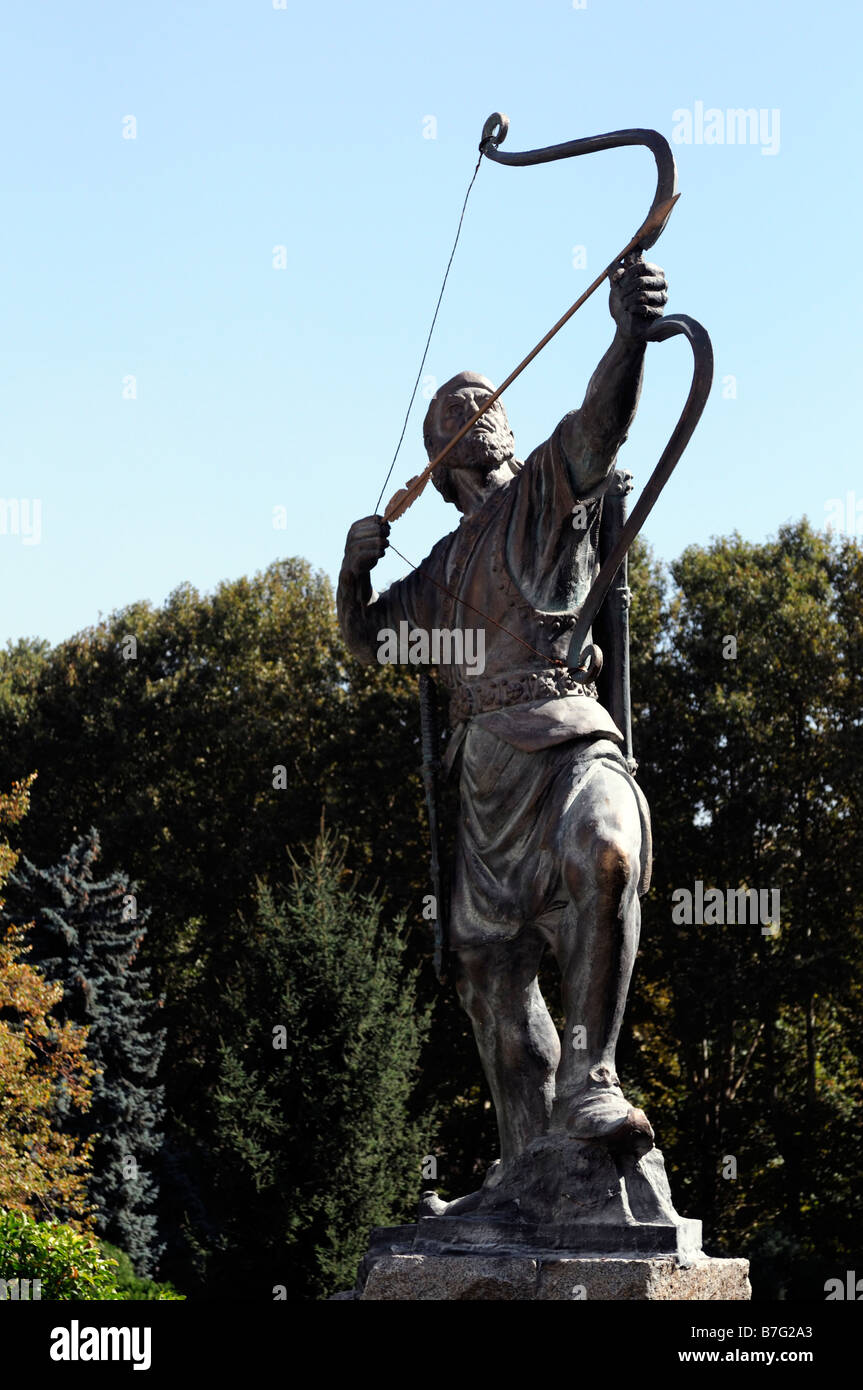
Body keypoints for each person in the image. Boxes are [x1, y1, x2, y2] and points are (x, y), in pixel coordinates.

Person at [337, 257, 668, 1198]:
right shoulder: (440, 564)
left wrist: (626, 334)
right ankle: (530, 1163)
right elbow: (368, 644)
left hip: (566, 733)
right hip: (484, 774)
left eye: (483, 404)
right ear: (435, 462)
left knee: (607, 849)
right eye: (452, 415)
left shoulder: (550, 497)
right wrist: (351, 577)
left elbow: (599, 425)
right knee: (490, 975)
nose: (472, 415)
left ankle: (591, 1082)